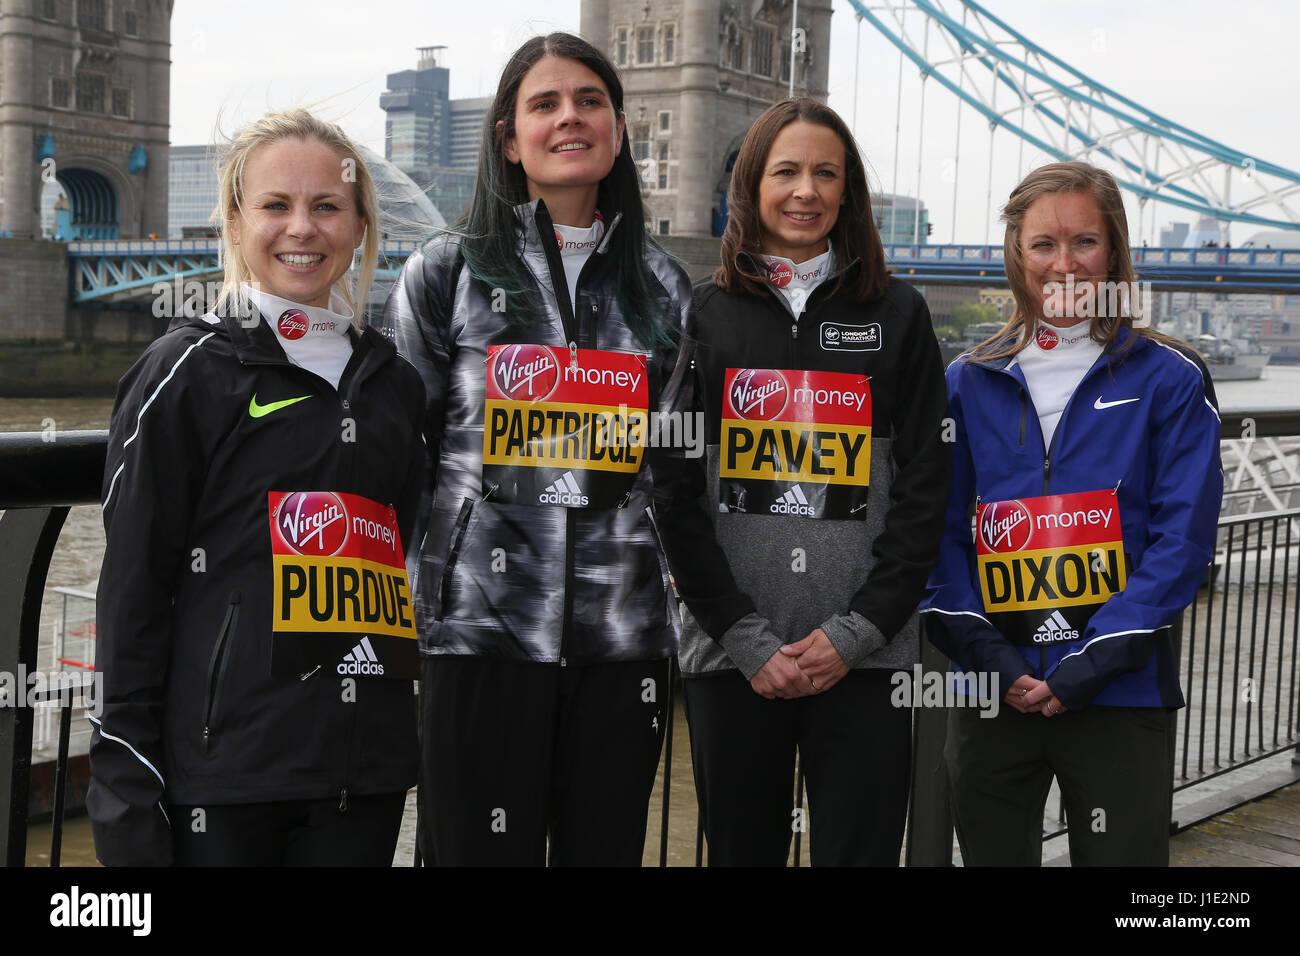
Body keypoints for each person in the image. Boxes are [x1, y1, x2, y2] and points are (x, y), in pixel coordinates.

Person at [87, 109, 426, 866]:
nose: (301, 229)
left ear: (361, 224)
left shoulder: (394, 386)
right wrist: (126, 802)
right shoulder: (183, 375)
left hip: (363, 778)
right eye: (276, 206)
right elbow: (133, 596)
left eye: (327, 206)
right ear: (236, 223)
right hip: (227, 781)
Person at [385, 33, 691, 866]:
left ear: (618, 132)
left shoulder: (662, 286)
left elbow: (671, 468)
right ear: (507, 137)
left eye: (590, 102)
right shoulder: (443, 272)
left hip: (621, 633)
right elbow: (401, 451)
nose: (570, 119)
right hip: (476, 632)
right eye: (545, 104)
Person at [656, 98, 950, 866]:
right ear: (750, 187)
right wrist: (747, 639)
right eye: (785, 171)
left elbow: (927, 491)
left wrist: (856, 634)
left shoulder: (900, 315)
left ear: (848, 192)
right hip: (734, 660)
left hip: (866, 658)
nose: (806, 191)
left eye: (827, 173)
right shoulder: (703, 314)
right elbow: (674, 493)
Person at [921, 161, 1223, 866]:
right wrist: (996, 663)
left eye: (1085, 242)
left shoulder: (1172, 380)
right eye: (1043, 245)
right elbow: (935, 538)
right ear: (1015, 256)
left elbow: (1182, 543)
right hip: (996, 694)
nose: (1065, 265)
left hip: (1120, 692)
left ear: (1115, 251)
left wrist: (1087, 664)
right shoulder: (964, 382)